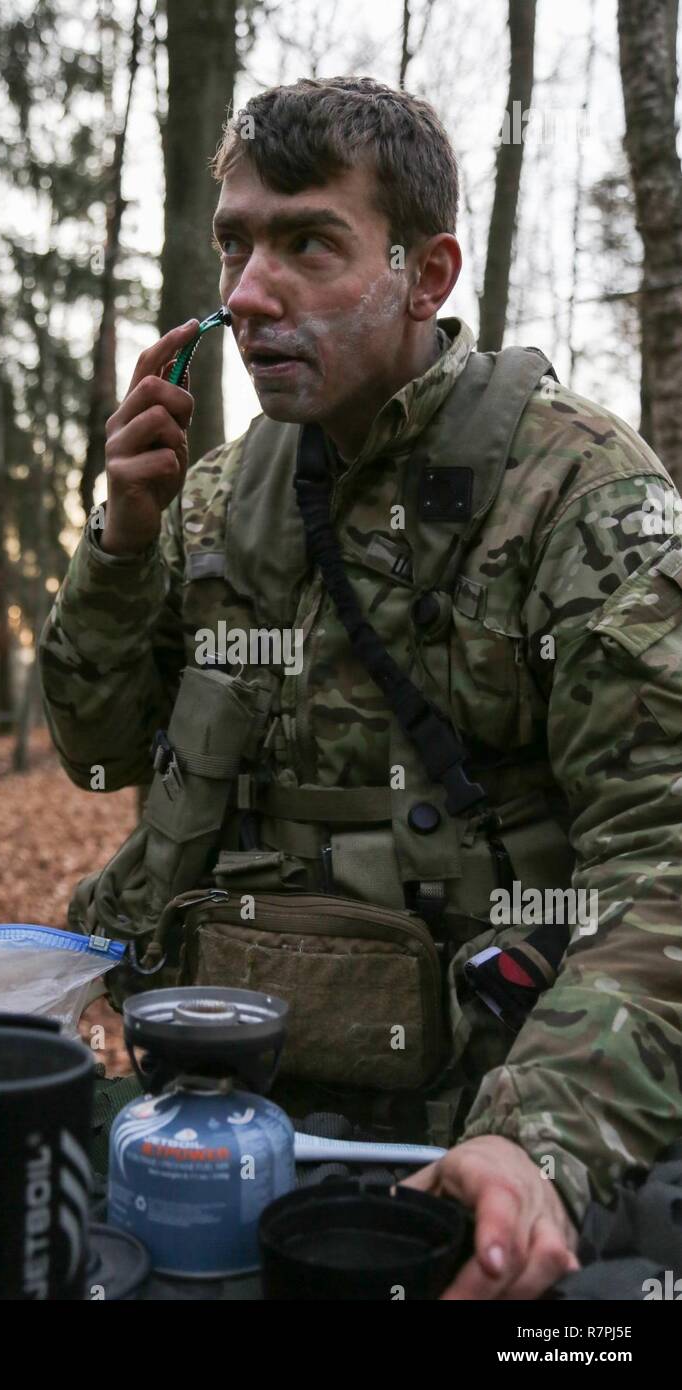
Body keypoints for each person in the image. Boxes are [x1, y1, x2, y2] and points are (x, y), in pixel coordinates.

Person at [39, 77, 682, 1299]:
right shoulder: (215, 497)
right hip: (214, 1110)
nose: (244, 293)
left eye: (306, 244)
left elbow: (662, 861)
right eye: (233, 243)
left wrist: (535, 1140)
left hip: (479, 1115)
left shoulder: (577, 494)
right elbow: (103, 754)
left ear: (424, 275)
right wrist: (120, 543)